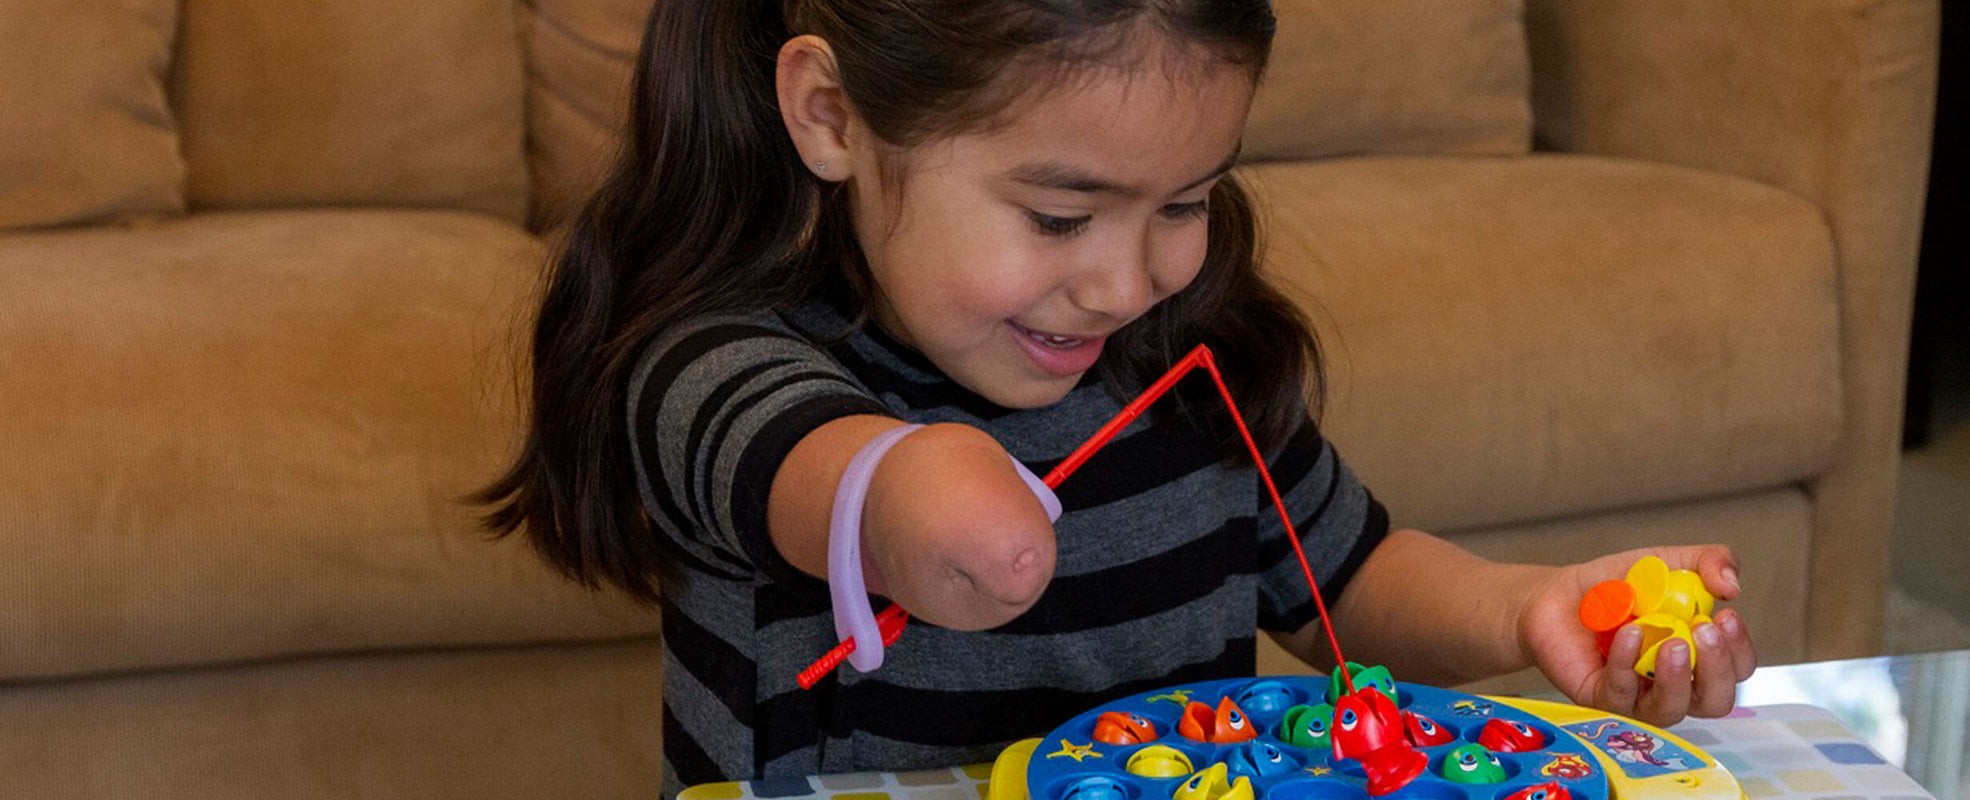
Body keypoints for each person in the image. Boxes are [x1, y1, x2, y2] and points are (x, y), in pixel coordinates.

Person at [477, 0, 1757, 794]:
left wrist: (1530, 609)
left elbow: (1353, 583)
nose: (1125, 280)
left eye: (1187, 203)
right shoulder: (718, 358)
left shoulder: (1185, 367)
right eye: (1059, 212)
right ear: (830, 116)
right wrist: (918, 489)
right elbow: (823, 467)